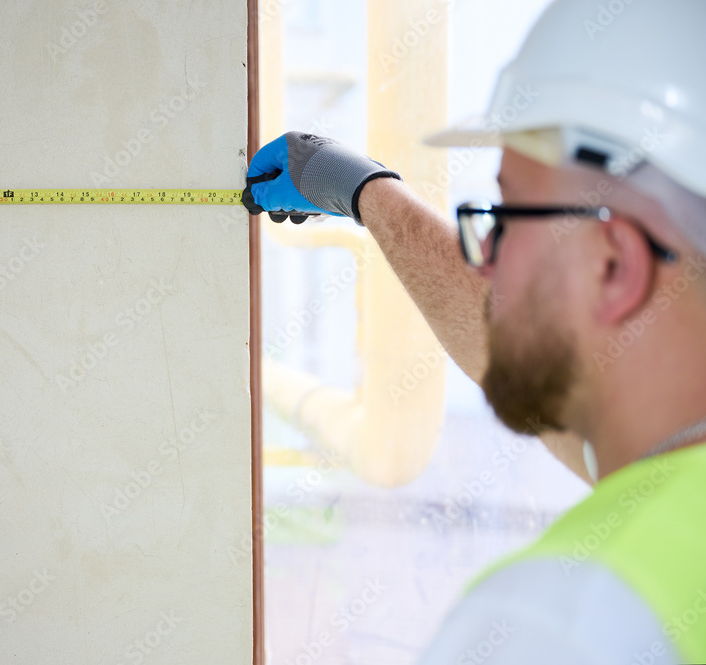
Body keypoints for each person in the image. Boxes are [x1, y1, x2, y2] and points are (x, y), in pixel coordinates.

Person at [243, 0, 706, 661]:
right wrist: (364, 193)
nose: (484, 258)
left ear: (612, 264)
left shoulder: (562, 621)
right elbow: (511, 337)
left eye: (507, 217)